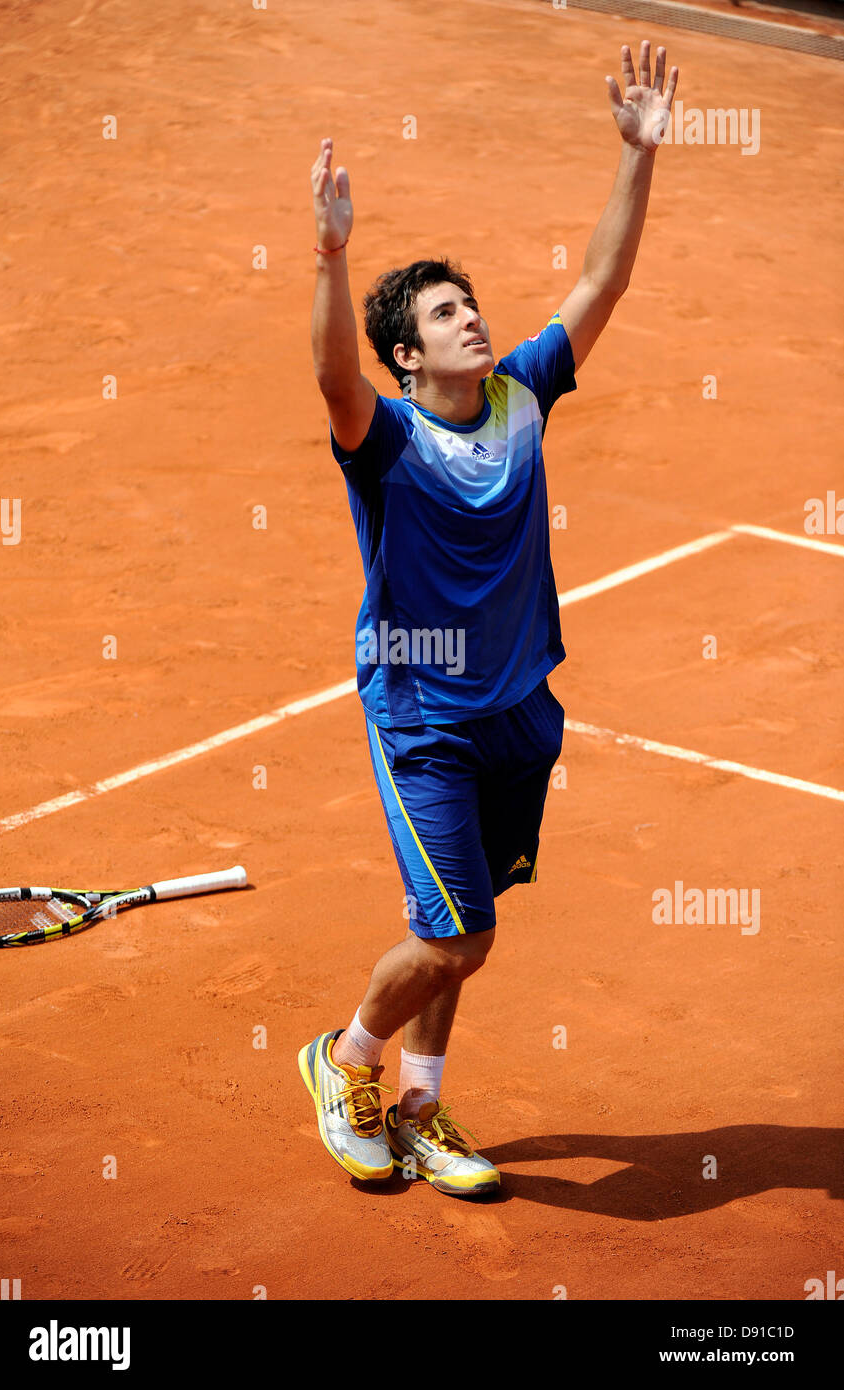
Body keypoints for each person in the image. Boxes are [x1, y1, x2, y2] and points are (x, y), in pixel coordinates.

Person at [299, 41, 678, 1197]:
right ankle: (342, 1056)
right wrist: (330, 253)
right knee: (457, 934)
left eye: (470, 305)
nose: (473, 320)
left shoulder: (519, 395)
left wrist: (635, 153)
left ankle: (419, 1105)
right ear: (407, 356)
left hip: (520, 708)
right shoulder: (386, 439)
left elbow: (601, 282)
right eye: (446, 314)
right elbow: (329, 378)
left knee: (468, 919)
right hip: (425, 716)